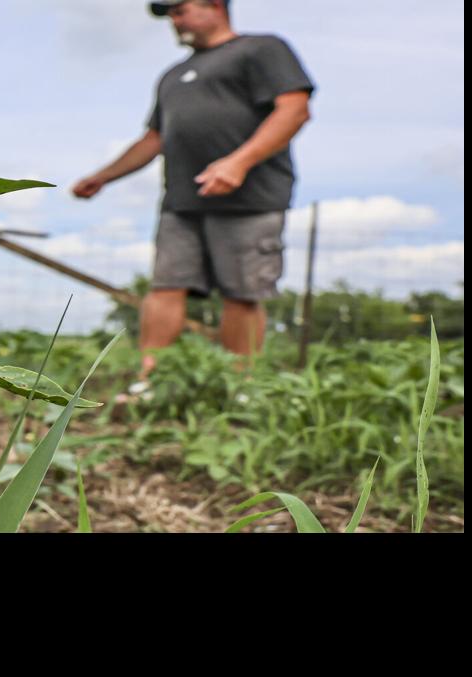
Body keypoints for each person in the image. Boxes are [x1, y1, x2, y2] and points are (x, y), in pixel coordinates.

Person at [73, 0, 314, 392]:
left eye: (180, 9)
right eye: (169, 13)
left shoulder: (261, 49)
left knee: (242, 293)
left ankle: (241, 386)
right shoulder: (173, 76)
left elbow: (293, 110)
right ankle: (151, 381)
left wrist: (238, 163)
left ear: (214, 5)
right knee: (165, 286)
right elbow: (154, 138)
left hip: (250, 199)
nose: (173, 19)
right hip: (182, 201)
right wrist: (102, 177)